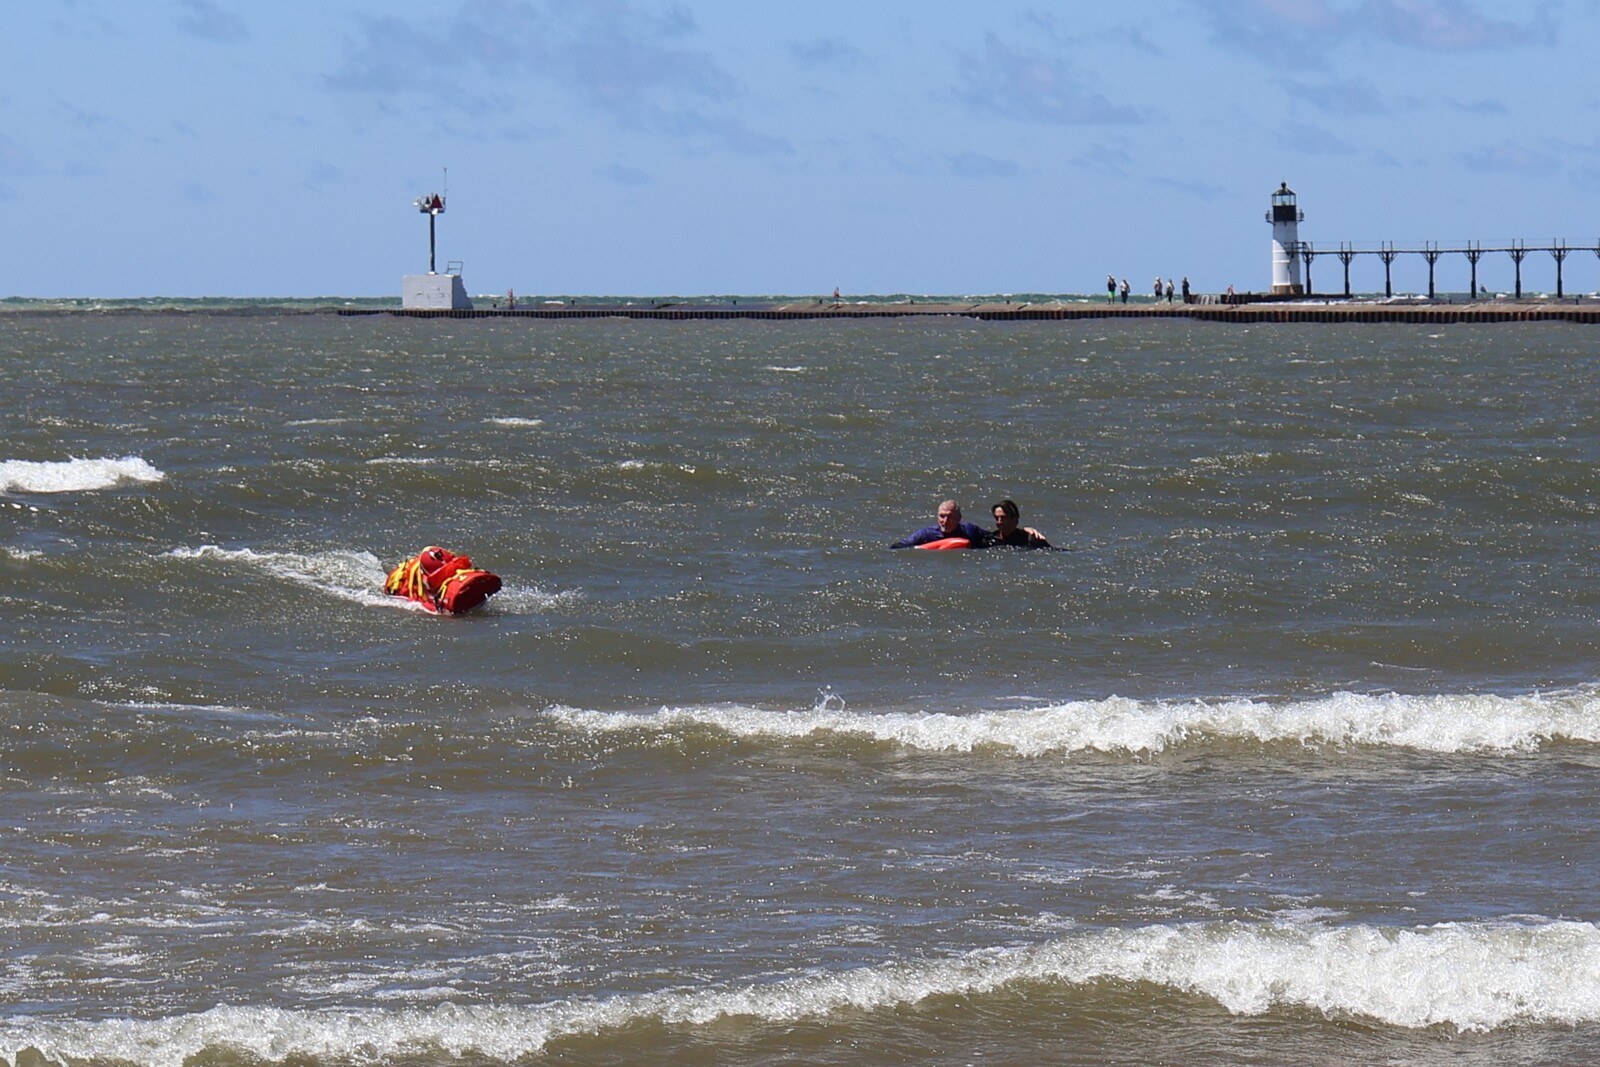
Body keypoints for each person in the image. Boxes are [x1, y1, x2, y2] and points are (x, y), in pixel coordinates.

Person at [891, 499, 990, 548]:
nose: (945, 521)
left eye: (950, 517)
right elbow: (898, 547)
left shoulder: (970, 531)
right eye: (942, 516)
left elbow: (994, 539)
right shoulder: (925, 535)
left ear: (959, 518)